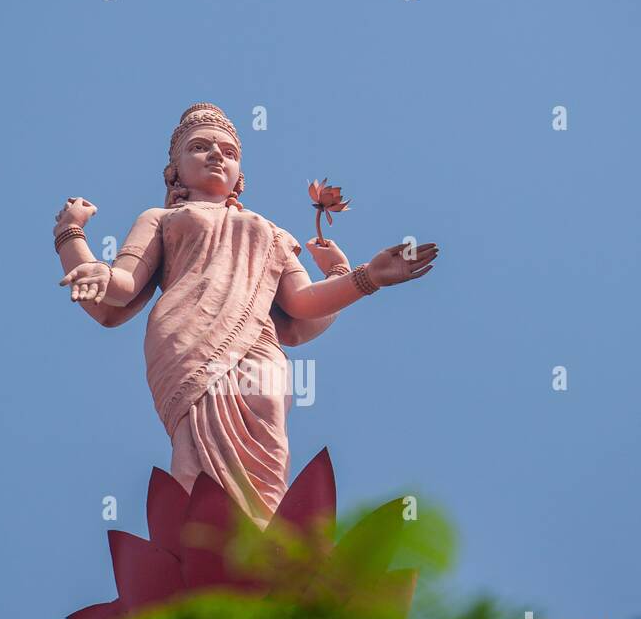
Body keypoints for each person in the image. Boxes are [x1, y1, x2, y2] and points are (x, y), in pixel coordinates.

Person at [54, 104, 438, 525]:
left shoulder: (269, 230)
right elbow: (119, 289)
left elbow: (304, 307)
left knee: (268, 427)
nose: (217, 156)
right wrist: (74, 239)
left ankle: (265, 550)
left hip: (259, 348)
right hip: (188, 337)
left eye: (229, 151)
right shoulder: (162, 218)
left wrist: (362, 276)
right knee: (195, 448)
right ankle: (200, 549)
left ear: (240, 173)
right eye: (200, 147)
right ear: (174, 172)